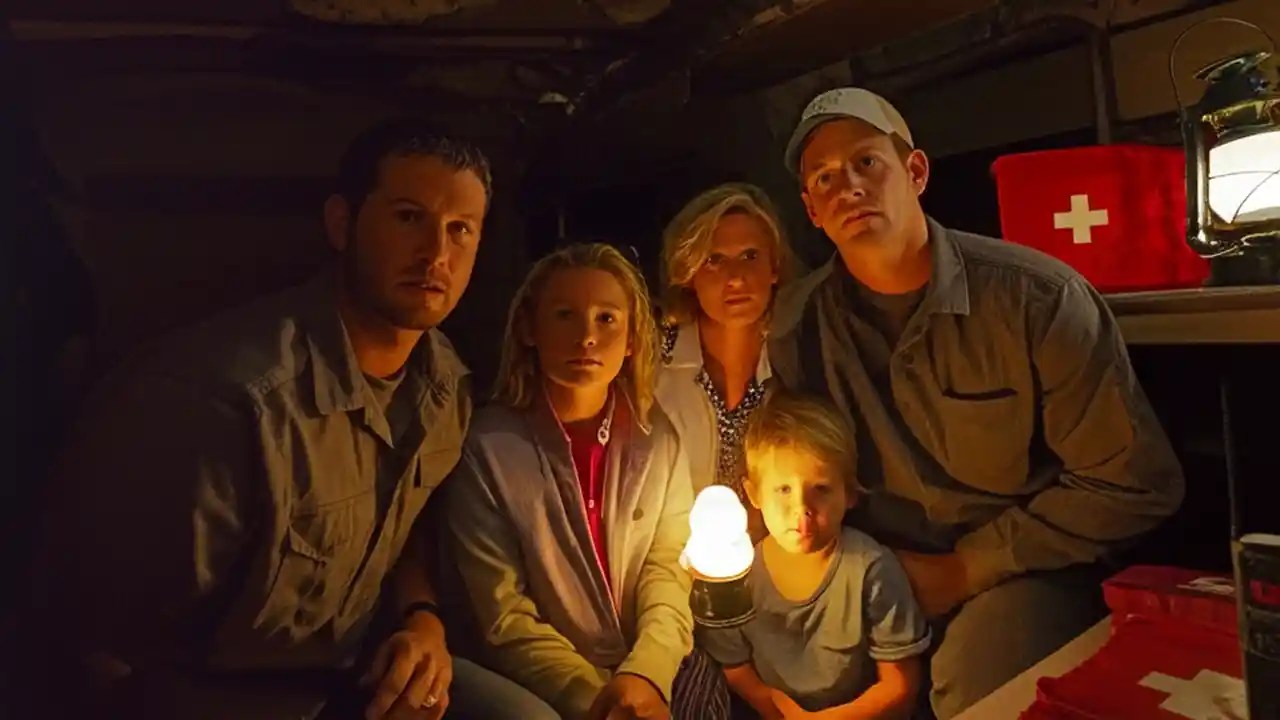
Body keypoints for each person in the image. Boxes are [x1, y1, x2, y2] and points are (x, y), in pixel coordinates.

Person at [29, 118, 554, 720]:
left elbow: (409, 523)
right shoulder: (229, 404)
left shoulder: (444, 384)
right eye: (408, 217)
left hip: (356, 670)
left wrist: (422, 621)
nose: (436, 254)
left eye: (460, 229)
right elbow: (108, 645)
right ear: (342, 223)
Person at [768, 87, 1185, 718]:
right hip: (882, 565)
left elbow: (1132, 483)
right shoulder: (799, 327)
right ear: (812, 210)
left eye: (866, 163)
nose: (846, 186)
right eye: (824, 178)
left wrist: (968, 567)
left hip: (1027, 565)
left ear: (915, 172)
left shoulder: (1036, 300)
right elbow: (802, 464)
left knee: (978, 684)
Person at [445, 243, 728, 720]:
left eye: (606, 319)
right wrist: (597, 699)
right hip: (545, 680)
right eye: (564, 316)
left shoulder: (655, 438)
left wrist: (645, 674)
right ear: (530, 329)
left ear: (634, 337)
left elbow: (667, 567)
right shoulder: (488, 449)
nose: (586, 337)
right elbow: (504, 615)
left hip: (647, 662)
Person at [702, 389, 929, 720]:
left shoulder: (871, 570)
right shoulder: (736, 575)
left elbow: (901, 687)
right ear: (753, 494)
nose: (802, 510)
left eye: (820, 489)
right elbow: (734, 666)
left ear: (850, 493)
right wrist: (779, 710)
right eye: (783, 490)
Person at [655, 183, 794, 542]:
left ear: (774, 267)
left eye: (750, 256)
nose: (735, 278)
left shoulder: (799, 358)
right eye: (714, 260)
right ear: (689, 273)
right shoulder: (650, 361)